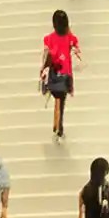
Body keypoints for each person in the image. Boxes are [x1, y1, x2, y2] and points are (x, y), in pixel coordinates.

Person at [40, 9, 82, 141]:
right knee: (62, 100)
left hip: (53, 74)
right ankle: (60, 124)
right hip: (65, 74)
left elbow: (48, 55)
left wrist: (43, 69)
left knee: (54, 94)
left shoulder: (49, 39)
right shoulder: (70, 37)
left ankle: (55, 118)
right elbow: (76, 46)